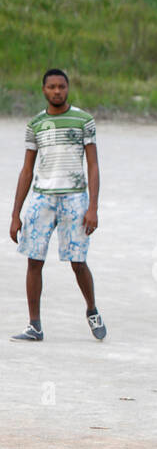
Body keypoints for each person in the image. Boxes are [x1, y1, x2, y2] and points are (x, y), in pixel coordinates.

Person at [9, 69, 103, 342]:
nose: (57, 91)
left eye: (62, 86)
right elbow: (27, 170)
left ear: (68, 88)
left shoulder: (83, 120)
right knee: (34, 260)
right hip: (42, 198)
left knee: (78, 261)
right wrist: (16, 214)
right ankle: (34, 325)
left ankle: (92, 309)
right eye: (52, 87)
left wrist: (93, 206)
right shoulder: (36, 124)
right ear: (44, 90)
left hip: (74, 198)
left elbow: (93, 165)